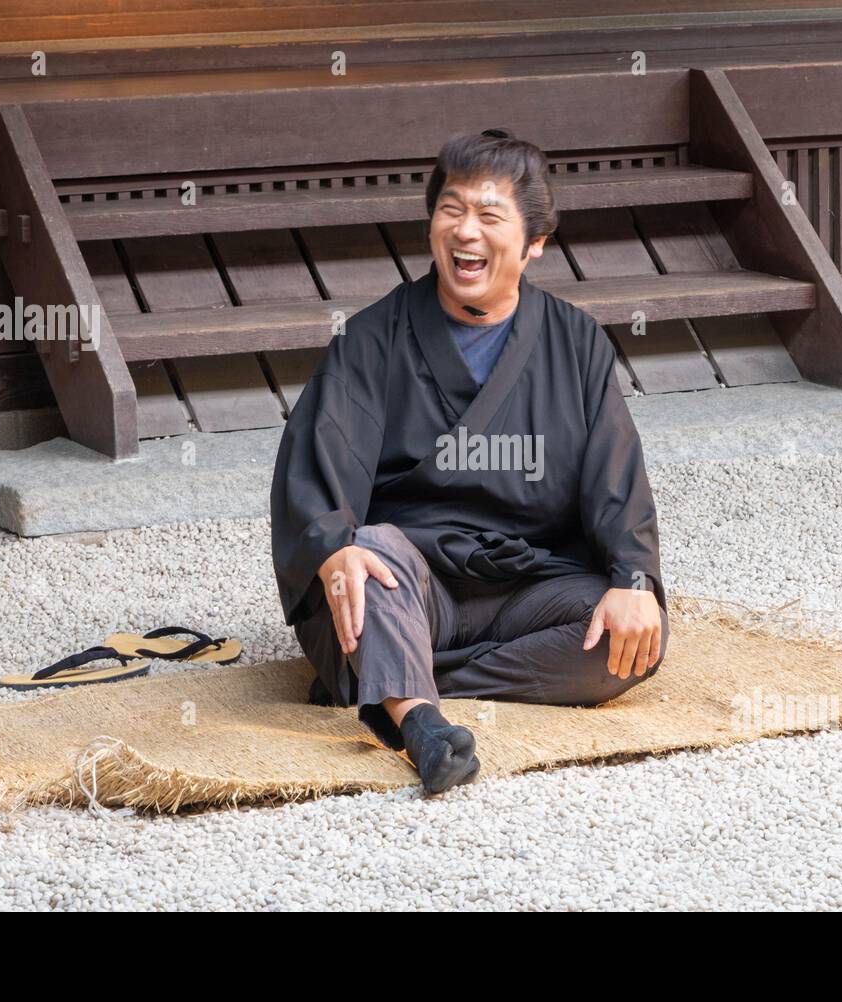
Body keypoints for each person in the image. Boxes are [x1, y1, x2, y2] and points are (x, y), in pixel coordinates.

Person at [271, 128, 668, 794]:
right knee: (369, 557)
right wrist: (334, 547)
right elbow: (319, 468)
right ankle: (420, 721)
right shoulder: (372, 339)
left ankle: (395, 672)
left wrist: (634, 578)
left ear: (535, 243)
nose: (466, 232)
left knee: (631, 642)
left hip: (528, 586)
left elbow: (616, 480)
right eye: (451, 210)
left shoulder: (576, 343)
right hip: (411, 581)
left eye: (489, 216)